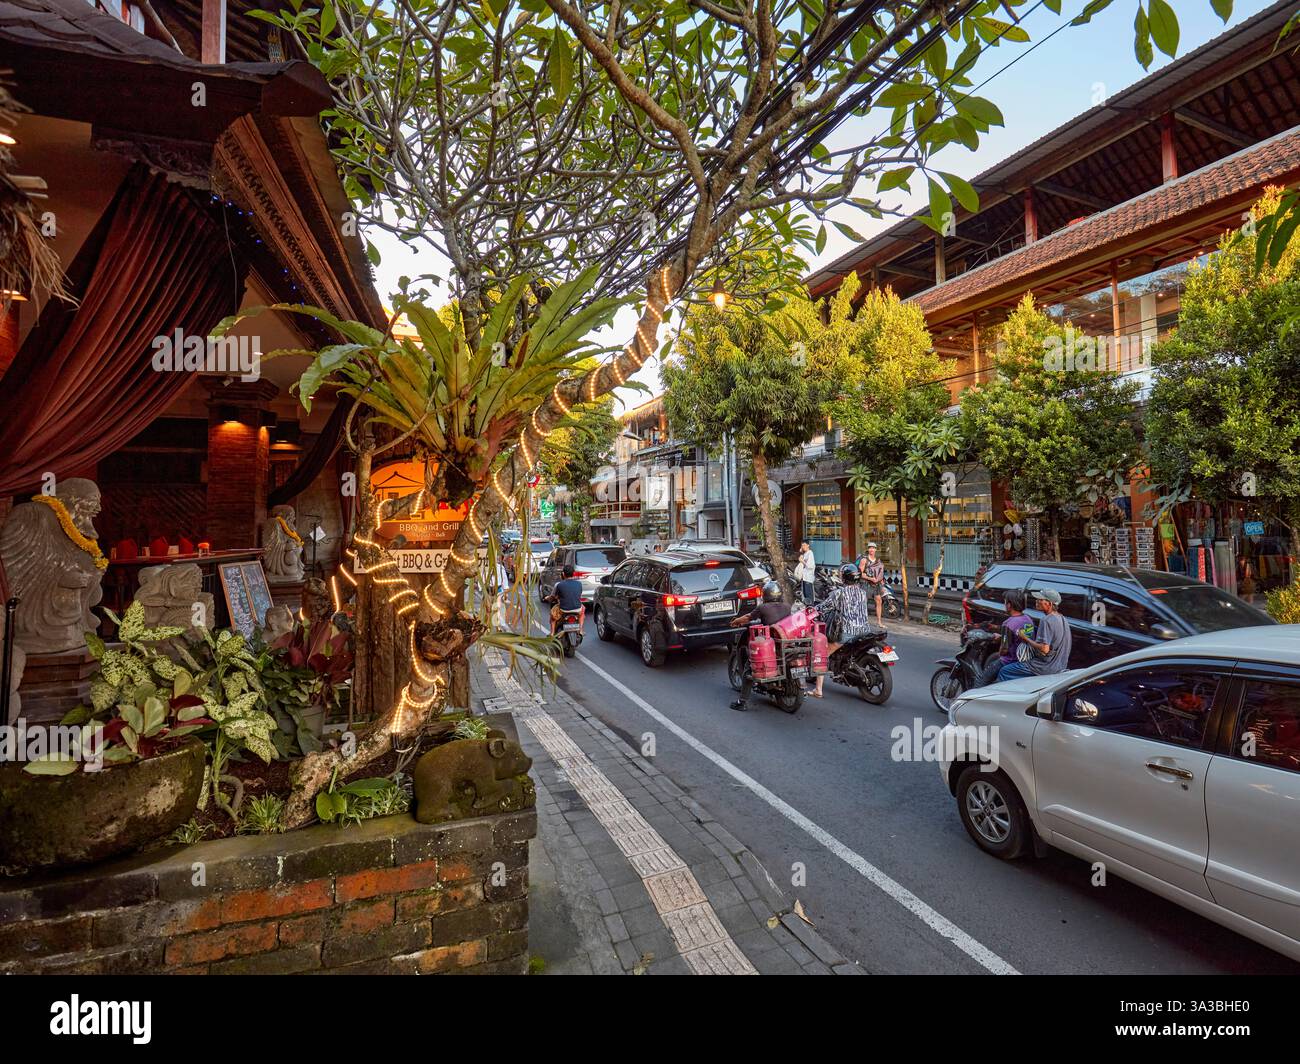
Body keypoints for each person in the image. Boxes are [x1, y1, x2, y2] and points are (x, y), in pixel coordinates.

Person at [812, 563, 875, 698]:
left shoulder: (839, 593)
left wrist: (812, 610)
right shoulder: (863, 593)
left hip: (847, 632)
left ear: (844, 578)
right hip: (865, 630)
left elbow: (823, 607)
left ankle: (818, 690)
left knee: (823, 653)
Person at [728, 579, 791, 711]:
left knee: (748, 669)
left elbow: (748, 618)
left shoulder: (763, 607)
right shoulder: (787, 606)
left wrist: (735, 622)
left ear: (766, 595)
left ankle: (742, 702)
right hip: (786, 643)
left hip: (769, 644)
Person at [997, 587, 1072, 681]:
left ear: (1049, 603)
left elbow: (1044, 649)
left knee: (1004, 671)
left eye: (1040, 600)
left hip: (1044, 667)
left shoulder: (1046, 620)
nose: (1037, 601)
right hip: (1060, 666)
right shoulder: (1062, 619)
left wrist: (1025, 638)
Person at [977, 589, 1035, 686]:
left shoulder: (1008, 624)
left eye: (1005, 602)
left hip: (1009, 661)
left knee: (982, 680)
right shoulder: (1028, 619)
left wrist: (1001, 649)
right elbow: (1024, 638)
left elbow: (1004, 649)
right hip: (1024, 659)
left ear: (1009, 605)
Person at [544, 563, 585, 635]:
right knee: (582, 612)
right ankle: (581, 630)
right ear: (573, 573)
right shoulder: (579, 584)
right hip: (577, 609)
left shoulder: (559, 585)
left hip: (564, 609)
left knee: (553, 616)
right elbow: (579, 595)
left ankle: (552, 633)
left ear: (563, 574)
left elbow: (553, 597)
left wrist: (547, 598)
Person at [858, 542, 886, 624]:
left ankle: (879, 622)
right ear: (868, 549)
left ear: (876, 549)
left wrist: (882, 584)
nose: (871, 549)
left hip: (876, 584)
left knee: (879, 601)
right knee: (864, 602)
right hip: (866, 583)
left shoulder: (878, 561)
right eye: (870, 548)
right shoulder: (864, 560)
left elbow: (880, 573)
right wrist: (870, 578)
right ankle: (862, 621)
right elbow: (860, 573)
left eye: (873, 548)